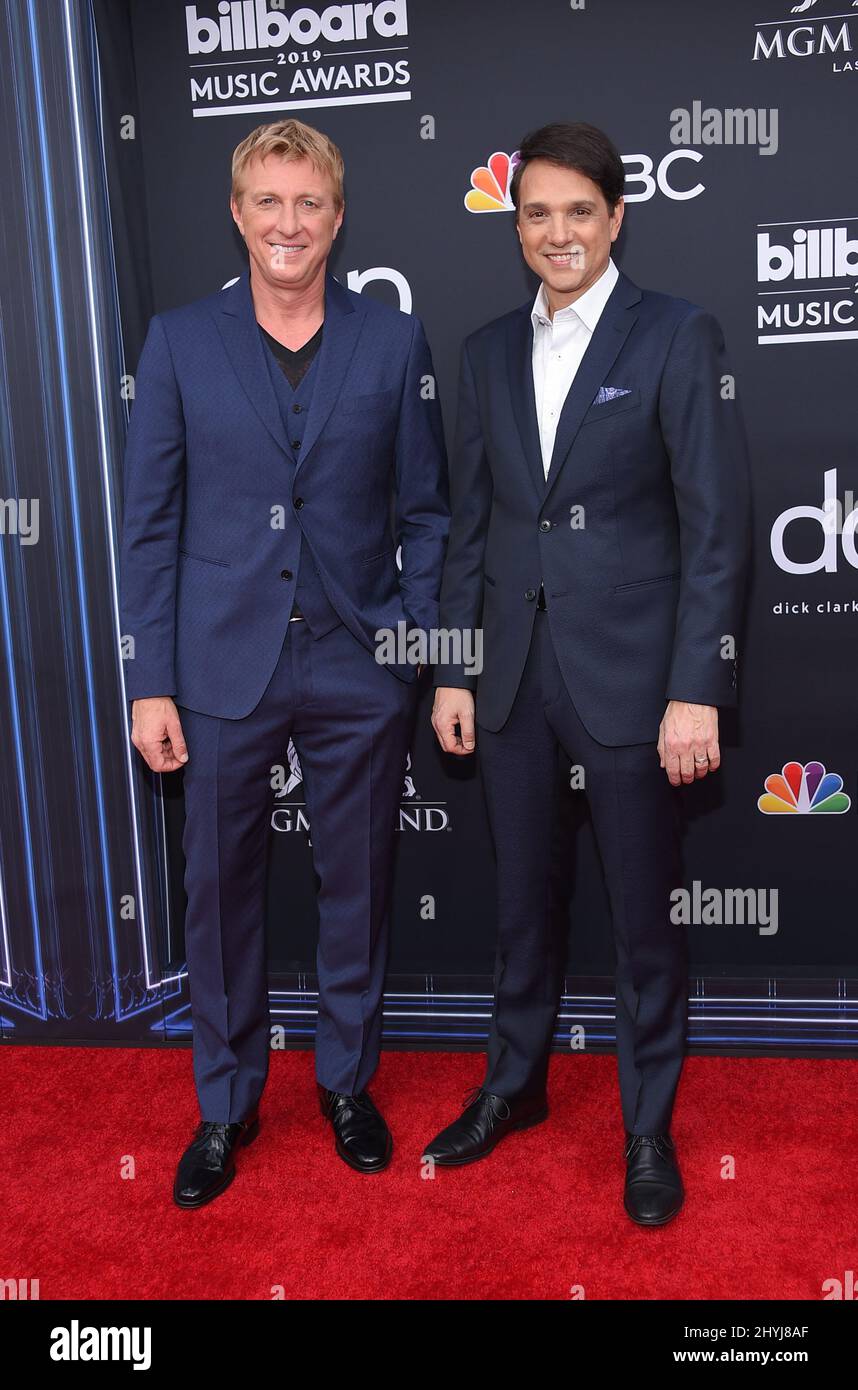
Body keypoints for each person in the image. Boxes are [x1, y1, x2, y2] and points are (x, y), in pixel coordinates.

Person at [425, 121, 750, 1226]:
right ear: (515, 228)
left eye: (578, 211)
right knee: (523, 907)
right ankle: (513, 1087)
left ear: (617, 217)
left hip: (632, 683)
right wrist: (455, 671)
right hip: (511, 677)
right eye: (537, 214)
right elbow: (473, 526)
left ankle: (647, 1124)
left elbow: (717, 527)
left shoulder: (676, 335)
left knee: (643, 921)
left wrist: (696, 685)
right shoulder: (480, 354)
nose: (557, 232)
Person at [119, 118, 448, 1208]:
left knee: (357, 885)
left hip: (360, 664)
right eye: (269, 201)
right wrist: (148, 680)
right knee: (218, 896)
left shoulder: (393, 343)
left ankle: (347, 1085)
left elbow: (430, 511)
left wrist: (409, 643)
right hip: (217, 668)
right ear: (237, 211)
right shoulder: (178, 340)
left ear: (339, 216)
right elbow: (150, 525)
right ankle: (226, 1103)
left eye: (309, 203)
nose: (289, 223)